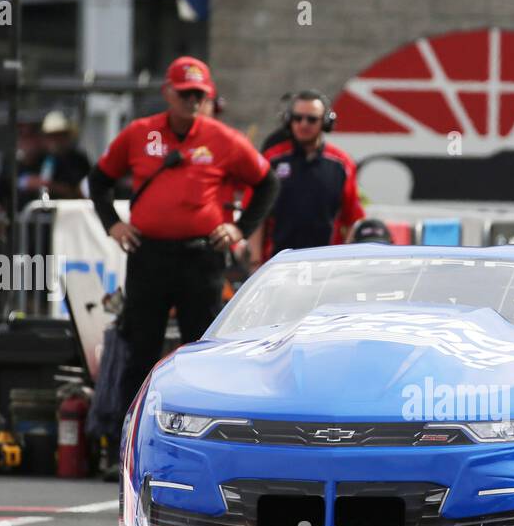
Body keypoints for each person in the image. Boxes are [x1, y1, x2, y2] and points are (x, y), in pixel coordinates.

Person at [86, 56, 279, 459]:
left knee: (201, 351)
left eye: (200, 94)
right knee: (141, 349)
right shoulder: (139, 134)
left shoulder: (222, 138)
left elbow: (266, 182)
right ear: (168, 93)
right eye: (186, 93)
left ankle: (200, 446)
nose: (193, 100)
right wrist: (113, 225)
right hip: (148, 255)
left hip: (200, 258)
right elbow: (99, 180)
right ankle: (129, 447)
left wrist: (239, 229)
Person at [248, 90, 364, 263]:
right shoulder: (271, 159)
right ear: (289, 120)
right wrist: (255, 261)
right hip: (278, 264)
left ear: (325, 122)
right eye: (297, 118)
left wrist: (344, 260)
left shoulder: (342, 164)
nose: (303, 124)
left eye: (311, 119)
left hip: (326, 265)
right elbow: (256, 213)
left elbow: (354, 219)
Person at [36, 112, 91, 200]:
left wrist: (51, 186)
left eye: (59, 135)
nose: (55, 140)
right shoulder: (40, 158)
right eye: (51, 135)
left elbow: (80, 190)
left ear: (67, 135)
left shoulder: (78, 160)